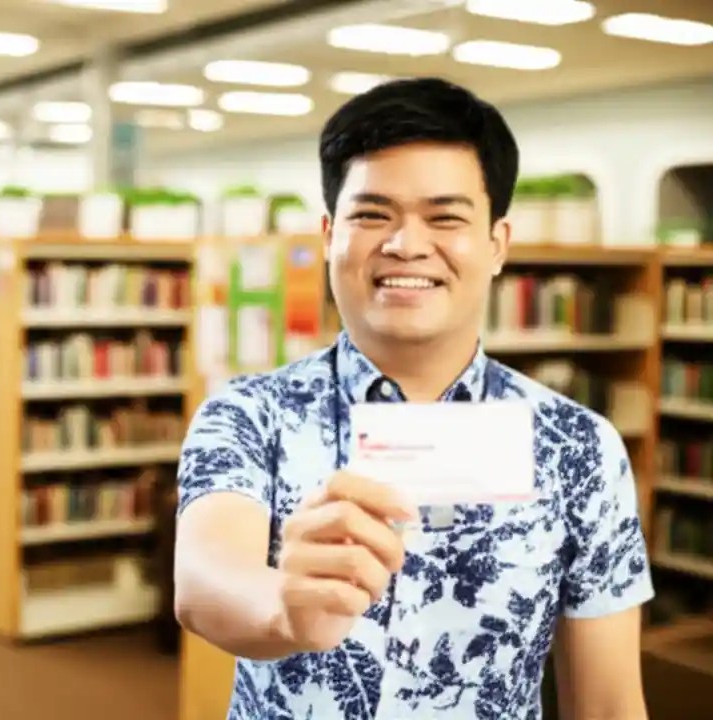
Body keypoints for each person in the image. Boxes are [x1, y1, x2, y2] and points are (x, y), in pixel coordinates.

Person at [173, 77, 653, 720]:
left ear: (497, 244)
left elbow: (610, 705)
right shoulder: (250, 414)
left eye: (445, 216)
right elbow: (204, 581)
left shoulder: (578, 448)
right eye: (372, 214)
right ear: (327, 235)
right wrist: (285, 607)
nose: (405, 243)